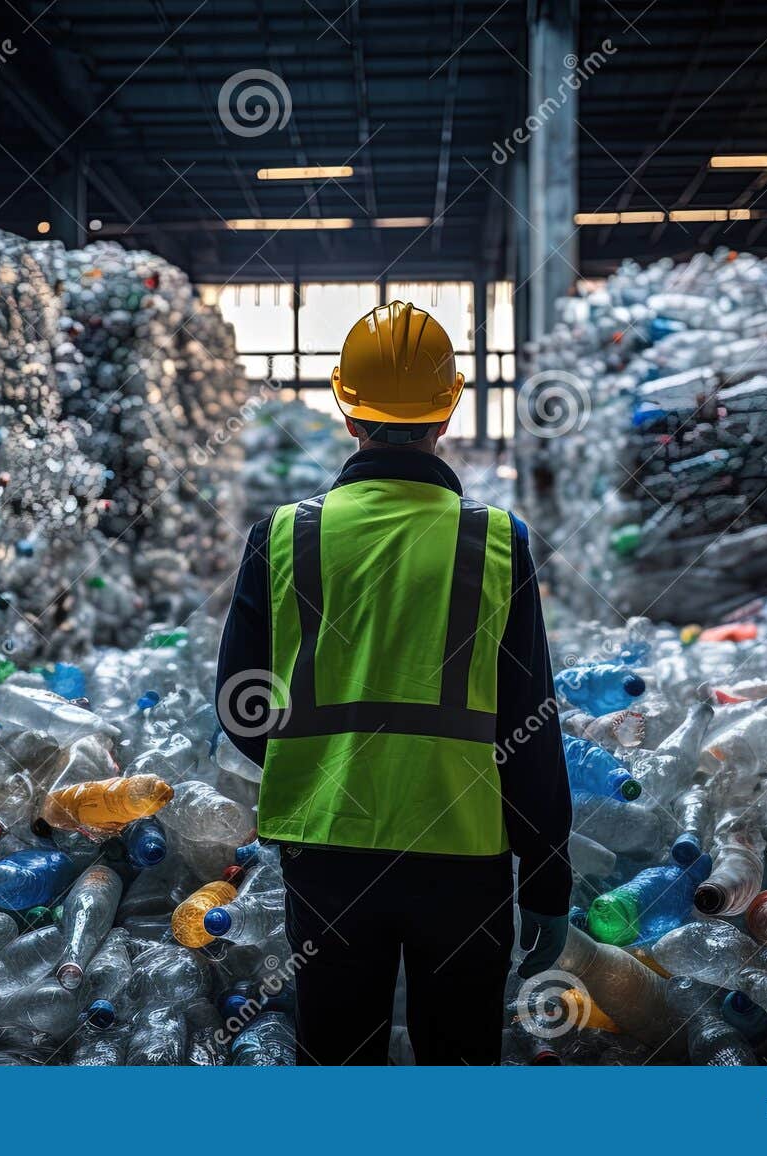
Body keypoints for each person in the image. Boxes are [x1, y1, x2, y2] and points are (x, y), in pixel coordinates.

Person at [216, 300, 573, 1065]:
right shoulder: (496, 541)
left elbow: (239, 707)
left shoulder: (283, 535)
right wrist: (547, 873)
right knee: (458, 1064)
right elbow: (530, 730)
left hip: (328, 854)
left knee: (340, 1064)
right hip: (464, 858)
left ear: (349, 411)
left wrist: (319, 762)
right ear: (446, 415)